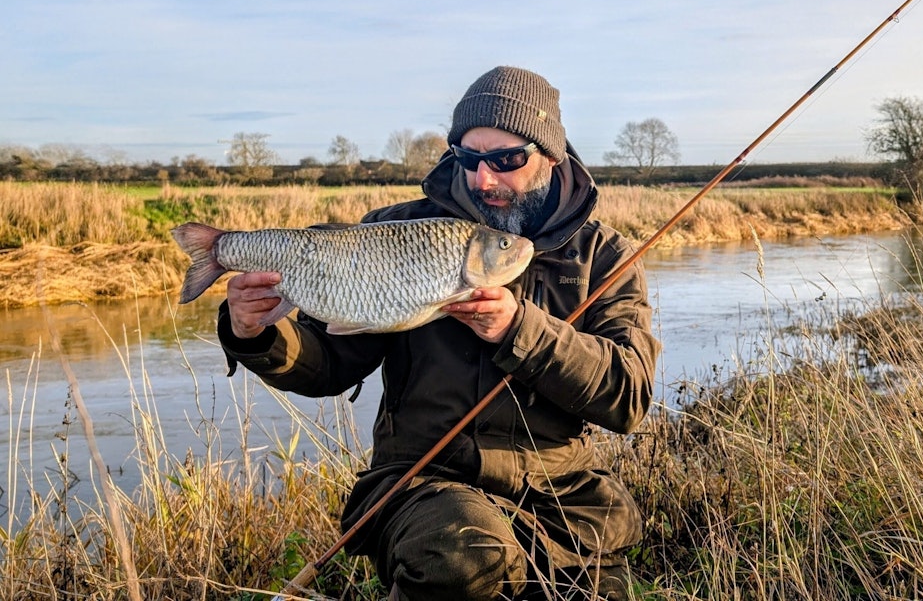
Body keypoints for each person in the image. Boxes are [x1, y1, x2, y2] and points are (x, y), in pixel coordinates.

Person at [217, 65, 661, 600]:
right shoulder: (397, 230)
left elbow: (629, 399)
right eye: (468, 160)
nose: (484, 179)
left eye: (506, 160)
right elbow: (329, 361)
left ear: (551, 154)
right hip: (422, 481)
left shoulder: (604, 256)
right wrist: (254, 334)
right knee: (467, 555)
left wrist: (520, 330)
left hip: (560, 497)